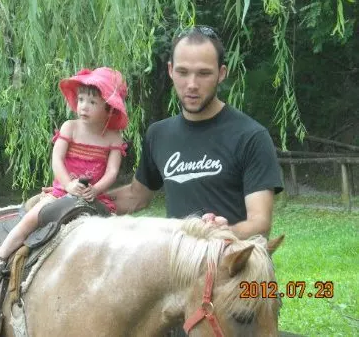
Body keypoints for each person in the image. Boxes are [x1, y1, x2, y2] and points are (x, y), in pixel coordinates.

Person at [111, 25, 283, 240]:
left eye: (203, 73)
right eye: (183, 72)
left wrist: (218, 233)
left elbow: (260, 223)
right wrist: (76, 203)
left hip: (231, 267)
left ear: (221, 74)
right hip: (178, 269)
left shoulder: (251, 136)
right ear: (170, 70)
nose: (192, 85)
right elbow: (136, 197)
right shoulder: (159, 134)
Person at [0, 67, 128, 276]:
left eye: (92, 102)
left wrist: (95, 190)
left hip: (92, 196)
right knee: (31, 220)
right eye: (81, 100)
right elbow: (57, 159)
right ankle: (1, 257)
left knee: (117, 230)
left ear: (109, 108)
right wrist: (68, 185)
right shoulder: (70, 127)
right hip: (62, 192)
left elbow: (112, 172)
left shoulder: (114, 137)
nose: (84, 107)